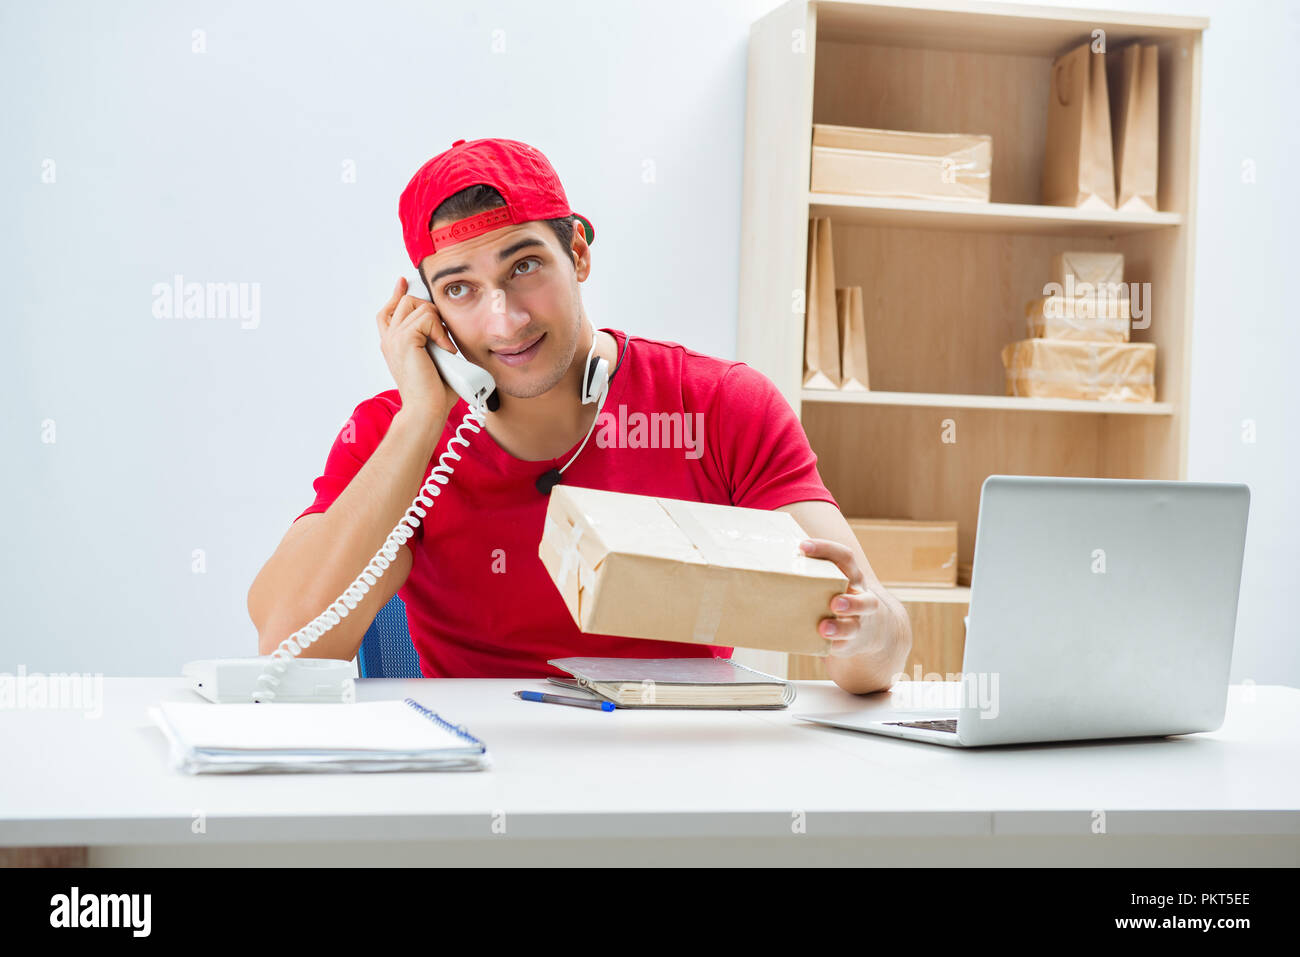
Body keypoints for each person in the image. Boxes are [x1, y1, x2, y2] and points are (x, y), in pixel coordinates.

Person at [247, 137, 911, 693]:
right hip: (487, 782)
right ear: (428, 311)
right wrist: (423, 418)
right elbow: (287, 648)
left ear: (580, 254)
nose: (503, 319)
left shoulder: (719, 406)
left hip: (678, 775)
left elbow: (872, 643)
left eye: (525, 265)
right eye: (460, 289)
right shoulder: (394, 432)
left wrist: (870, 628)